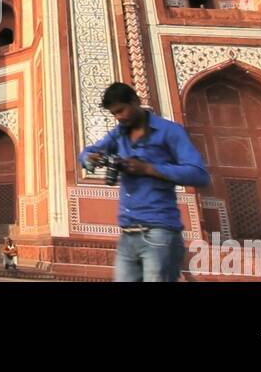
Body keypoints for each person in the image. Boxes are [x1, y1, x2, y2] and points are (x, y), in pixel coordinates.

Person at [78, 82, 210, 282]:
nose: (119, 117)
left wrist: (149, 169)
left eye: (121, 111)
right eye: (114, 114)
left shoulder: (170, 131)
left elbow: (199, 174)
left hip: (160, 232)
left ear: (135, 101)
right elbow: (87, 153)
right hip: (128, 234)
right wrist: (90, 159)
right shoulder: (119, 133)